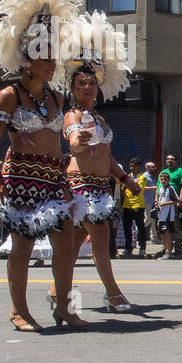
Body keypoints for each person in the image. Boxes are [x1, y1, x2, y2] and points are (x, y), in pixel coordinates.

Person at [0, 0, 89, 330]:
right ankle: (19, 310)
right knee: (23, 246)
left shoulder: (57, 97)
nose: (52, 63)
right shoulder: (9, 96)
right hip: (21, 175)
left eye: (54, 57)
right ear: (27, 61)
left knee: (66, 244)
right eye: (45, 57)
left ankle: (64, 307)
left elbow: (62, 132)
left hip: (53, 175)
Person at [56, 23, 139, 311]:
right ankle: (113, 293)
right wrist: (79, 140)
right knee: (101, 240)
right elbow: (75, 145)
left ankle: (58, 291)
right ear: (73, 88)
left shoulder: (101, 120)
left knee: (76, 243)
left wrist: (125, 178)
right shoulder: (72, 115)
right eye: (81, 84)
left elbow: (107, 155)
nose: (87, 87)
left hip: (102, 186)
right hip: (81, 188)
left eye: (91, 83)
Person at [121, 159, 148, 257]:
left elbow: (137, 189)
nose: (132, 168)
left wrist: (129, 185)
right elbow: (123, 189)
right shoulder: (127, 177)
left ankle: (142, 247)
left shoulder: (142, 177)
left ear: (139, 166)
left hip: (138, 205)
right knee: (126, 228)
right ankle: (128, 248)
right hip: (126, 205)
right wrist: (128, 185)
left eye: (134, 166)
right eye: (130, 166)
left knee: (140, 228)